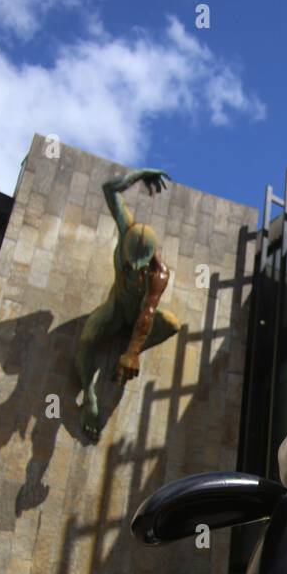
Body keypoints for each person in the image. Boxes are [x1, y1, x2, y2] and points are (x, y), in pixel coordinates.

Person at [75, 168, 181, 441]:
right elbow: (109, 189)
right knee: (87, 339)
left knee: (171, 323)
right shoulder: (126, 227)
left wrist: (132, 352)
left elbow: (147, 312)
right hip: (116, 309)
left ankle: (129, 351)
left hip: (138, 317)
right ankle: (89, 398)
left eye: (140, 265)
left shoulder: (159, 274)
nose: (135, 268)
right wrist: (141, 174)